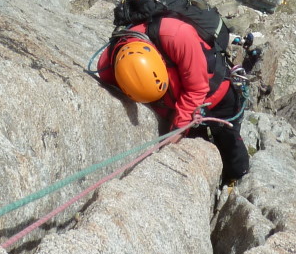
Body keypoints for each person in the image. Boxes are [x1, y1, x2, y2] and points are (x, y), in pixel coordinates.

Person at [97, 14, 250, 183]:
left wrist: (177, 130)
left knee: (230, 144)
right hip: (176, 104)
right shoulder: (109, 67)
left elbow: (197, 89)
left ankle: (238, 176)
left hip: (217, 94)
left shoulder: (177, 35)